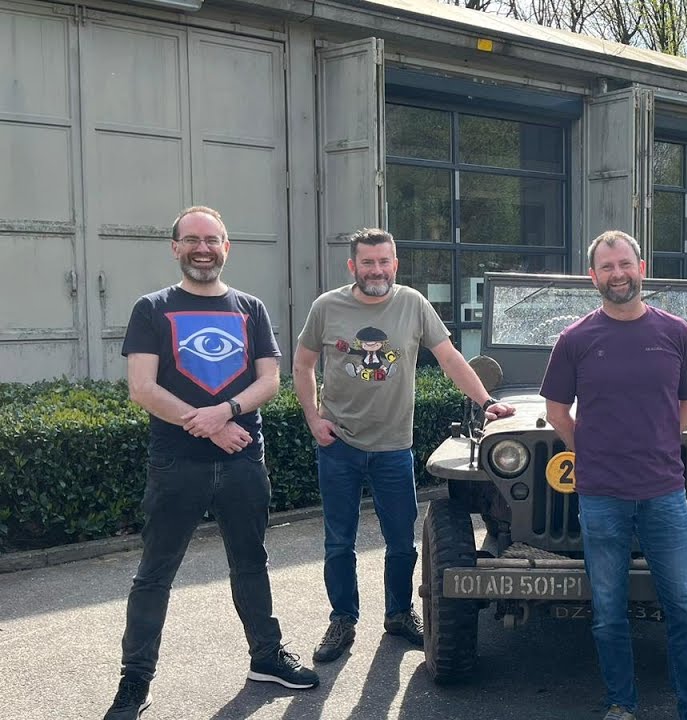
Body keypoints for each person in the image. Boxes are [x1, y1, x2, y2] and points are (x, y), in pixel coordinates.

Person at [105, 206, 318, 720]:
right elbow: (142, 388)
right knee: (155, 573)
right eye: (192, 239)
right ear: (175, 247)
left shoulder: (251, 308)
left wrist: (225, 412)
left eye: (213, 239)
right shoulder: (152, 308)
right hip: (177, 461)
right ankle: (135, 682)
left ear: (227, 247)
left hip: (244, 459)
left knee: (251, 562)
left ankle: (267, 658)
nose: (203, 248)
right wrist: (208, 425)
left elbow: (269, 380)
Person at [294, 228, 515, 663]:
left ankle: (397, 615)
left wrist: (486, 402)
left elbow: (450, 357)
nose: (376, 270)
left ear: (395, 263)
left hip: (394, 447)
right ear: (352, 266)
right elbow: (303, 365)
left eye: (384, 262)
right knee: (339, 542)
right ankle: (343, 620)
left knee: (401, 542)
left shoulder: (413, 304)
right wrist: (314, 419)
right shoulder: (326, 307)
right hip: (338, 445)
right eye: (367, 262)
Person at [540, 230, 687, 720]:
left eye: (625, 264)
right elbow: (556, 410)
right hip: (601, 494)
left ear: (642, 266)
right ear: (592, 276)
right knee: (608, 611)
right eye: (607, 267)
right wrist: (590, 452)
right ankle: (620, 703)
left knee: (683, 607)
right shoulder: (575, 338)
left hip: (664, 491)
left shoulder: (675, 332)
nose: (618, 274)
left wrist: (657, 440)